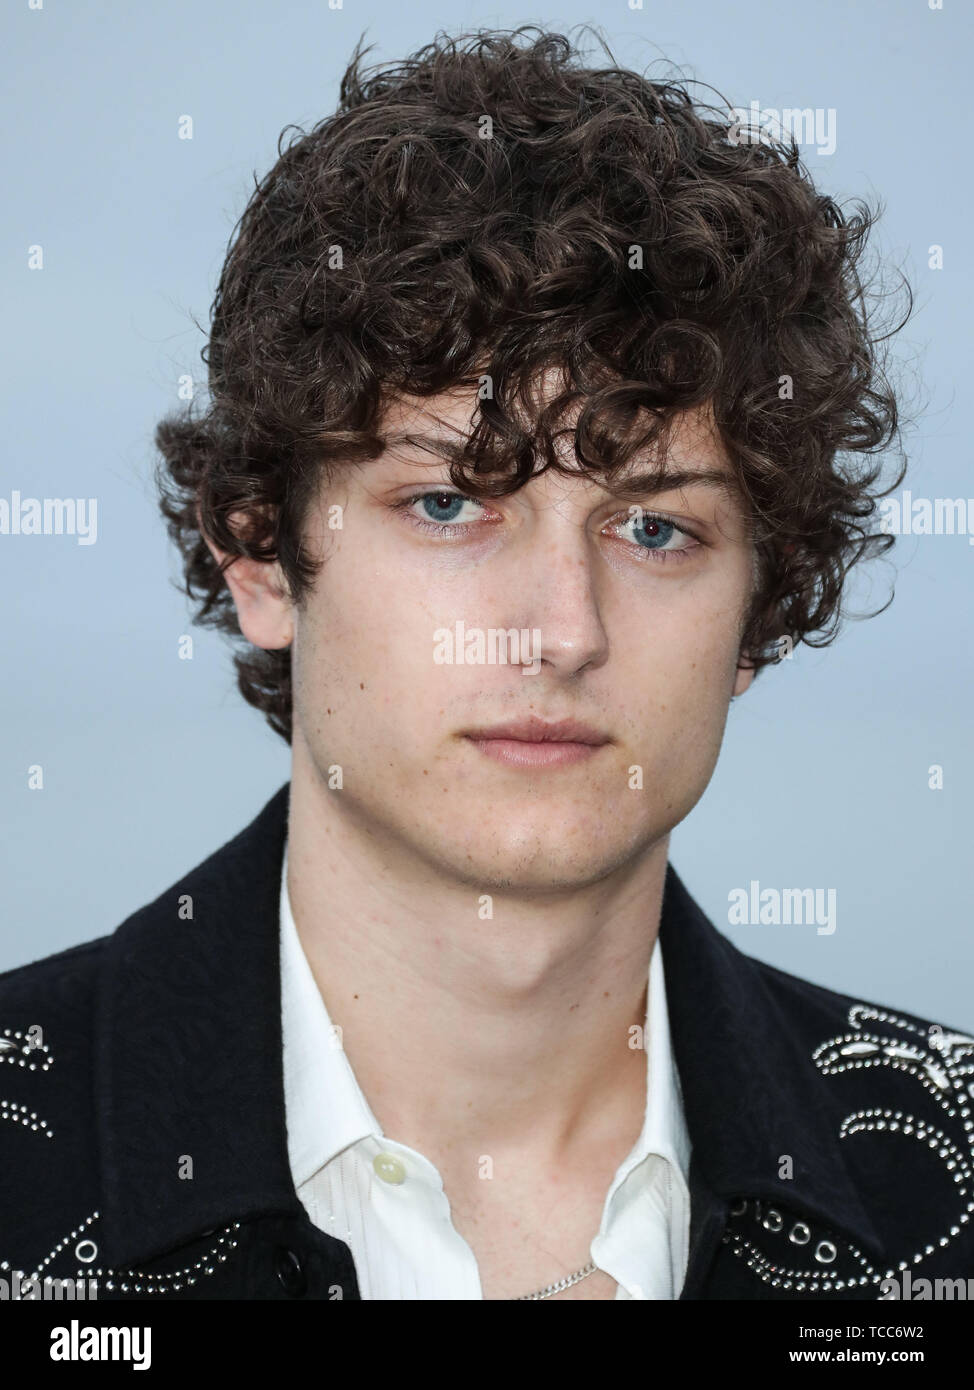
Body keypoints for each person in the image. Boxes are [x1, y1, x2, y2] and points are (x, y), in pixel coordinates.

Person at [3, 25, 971, 1302]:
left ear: (760, 607)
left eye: (653, 527)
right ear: (257, 557)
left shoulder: (940, 1175)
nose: (560, 630)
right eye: (450, 506)